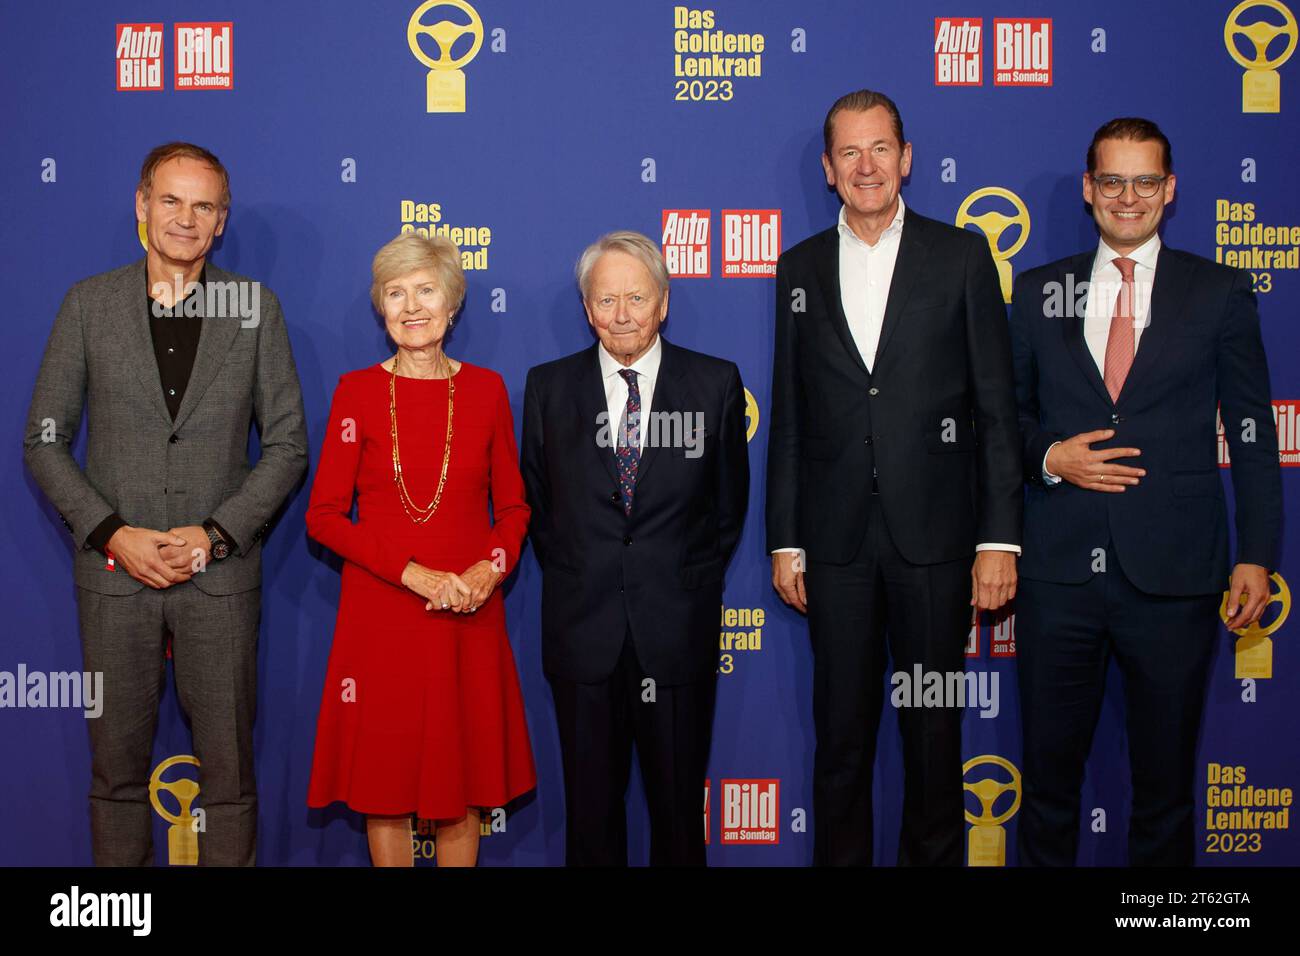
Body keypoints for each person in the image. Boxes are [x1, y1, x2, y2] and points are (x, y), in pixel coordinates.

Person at [23, 142, 308, 866]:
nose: (186, 218)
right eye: (172, 200)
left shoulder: (256, 310)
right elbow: (44, 442)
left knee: (230, 776)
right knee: (115, 775)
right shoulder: (88, 304)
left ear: (221, 222)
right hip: (116, 577)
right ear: (142, 206)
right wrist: (115, 535)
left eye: (204, 205)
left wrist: (214, 535)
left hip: (220, 580)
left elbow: (287, 449)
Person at [1008, 118, 1282, 866]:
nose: (1129, 197)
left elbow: (1254, 431)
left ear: (1170, 190)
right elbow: (1007, 420)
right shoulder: (1039, 291)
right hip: (1058, 573)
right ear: (1090, 189)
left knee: (1164, 797)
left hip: (1175, 576)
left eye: (1146, 182)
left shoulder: (1220, 291)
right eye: (1113, 181)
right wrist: (1052, 456)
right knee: (1049, 792)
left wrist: (1257, 553)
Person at [767, 89, 1023, 866]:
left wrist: (999, 539)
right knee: (841, 745)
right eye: (850, 152)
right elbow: (789, 412)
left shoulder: (962, 256)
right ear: (828, 168)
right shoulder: (800, 265)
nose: (866, 165)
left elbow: (997, 411)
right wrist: (786, 541)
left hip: (940, 549)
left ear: (906, 160)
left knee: (934, 741)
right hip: (836, 548)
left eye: (881, 148)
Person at [305, 233, 535, 867]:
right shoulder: (355, 393)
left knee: (461, 787)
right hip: (382, 615)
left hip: (467, 609)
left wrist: (486, 574)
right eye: (395, 294)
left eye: (425, 291)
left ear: (452, 304)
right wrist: (414, 575)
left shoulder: (488, 391)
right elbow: (323, 517)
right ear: (380, 308)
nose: (411, 307)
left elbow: (514, 509)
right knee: (385, 786)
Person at [521, 230, 749, 866]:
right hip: (582, 635)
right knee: (591, 822)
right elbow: (540, 508)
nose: (621, 315)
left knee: (679, 820)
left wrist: (680, 582)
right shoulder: (549, 388)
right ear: (587, 307)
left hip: (676, 634)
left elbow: (726, 511)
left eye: (637, 298)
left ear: (664, 303)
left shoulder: (714, 385)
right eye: (606, 300)